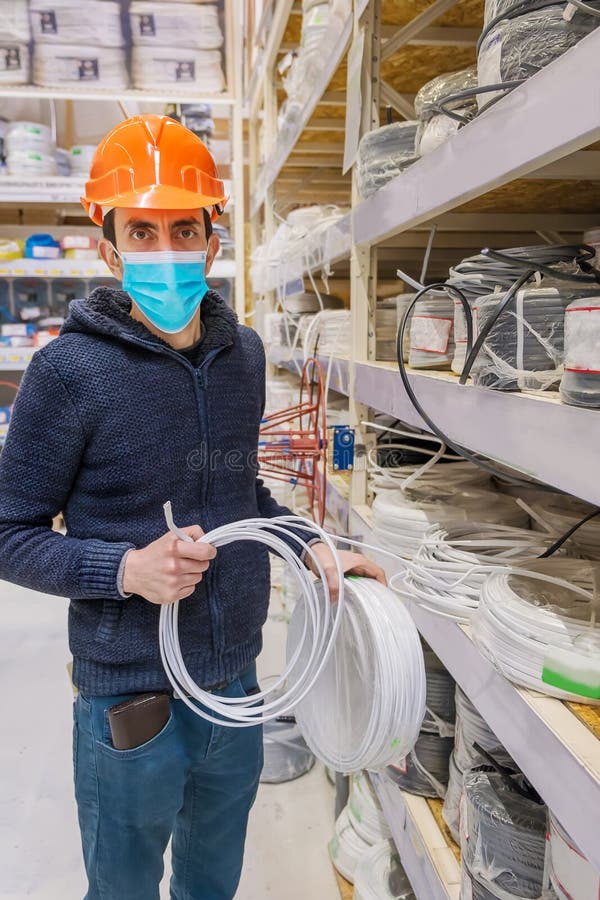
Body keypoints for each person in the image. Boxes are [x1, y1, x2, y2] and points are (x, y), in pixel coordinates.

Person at [0, 115, 385, 900]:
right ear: (108, 247)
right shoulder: (67, 373)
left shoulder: (240, 353)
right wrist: (126, 569)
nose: (166, 250)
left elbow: (245, 493)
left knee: (212, 882)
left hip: (236, 687)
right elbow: (9, 533)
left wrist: (310, 544)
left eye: (185, 228)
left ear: (214, 237)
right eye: (142, 230)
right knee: (125, 887)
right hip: (131, 699)